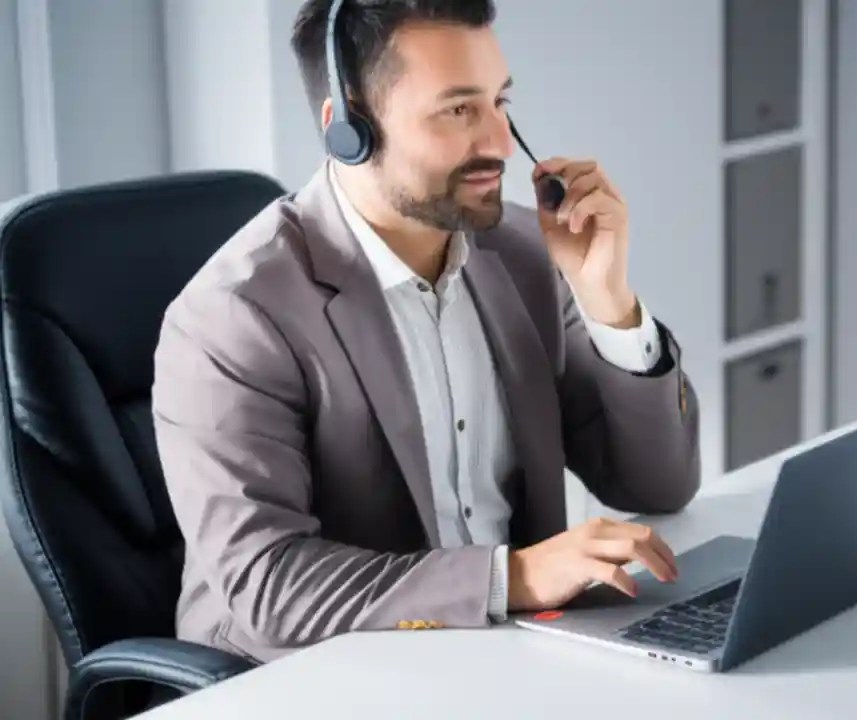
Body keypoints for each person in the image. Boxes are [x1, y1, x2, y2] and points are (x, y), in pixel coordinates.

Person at [152, 0, 699, 663]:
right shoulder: (234, 314)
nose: (499, 141)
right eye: (458, 110)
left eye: (500, 102)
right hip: (308, 676)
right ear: (347, 129)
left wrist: (608, 301)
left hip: (504, 654)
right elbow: (269, 586)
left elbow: (657, 487)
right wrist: (513, 578)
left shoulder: (523, 251)